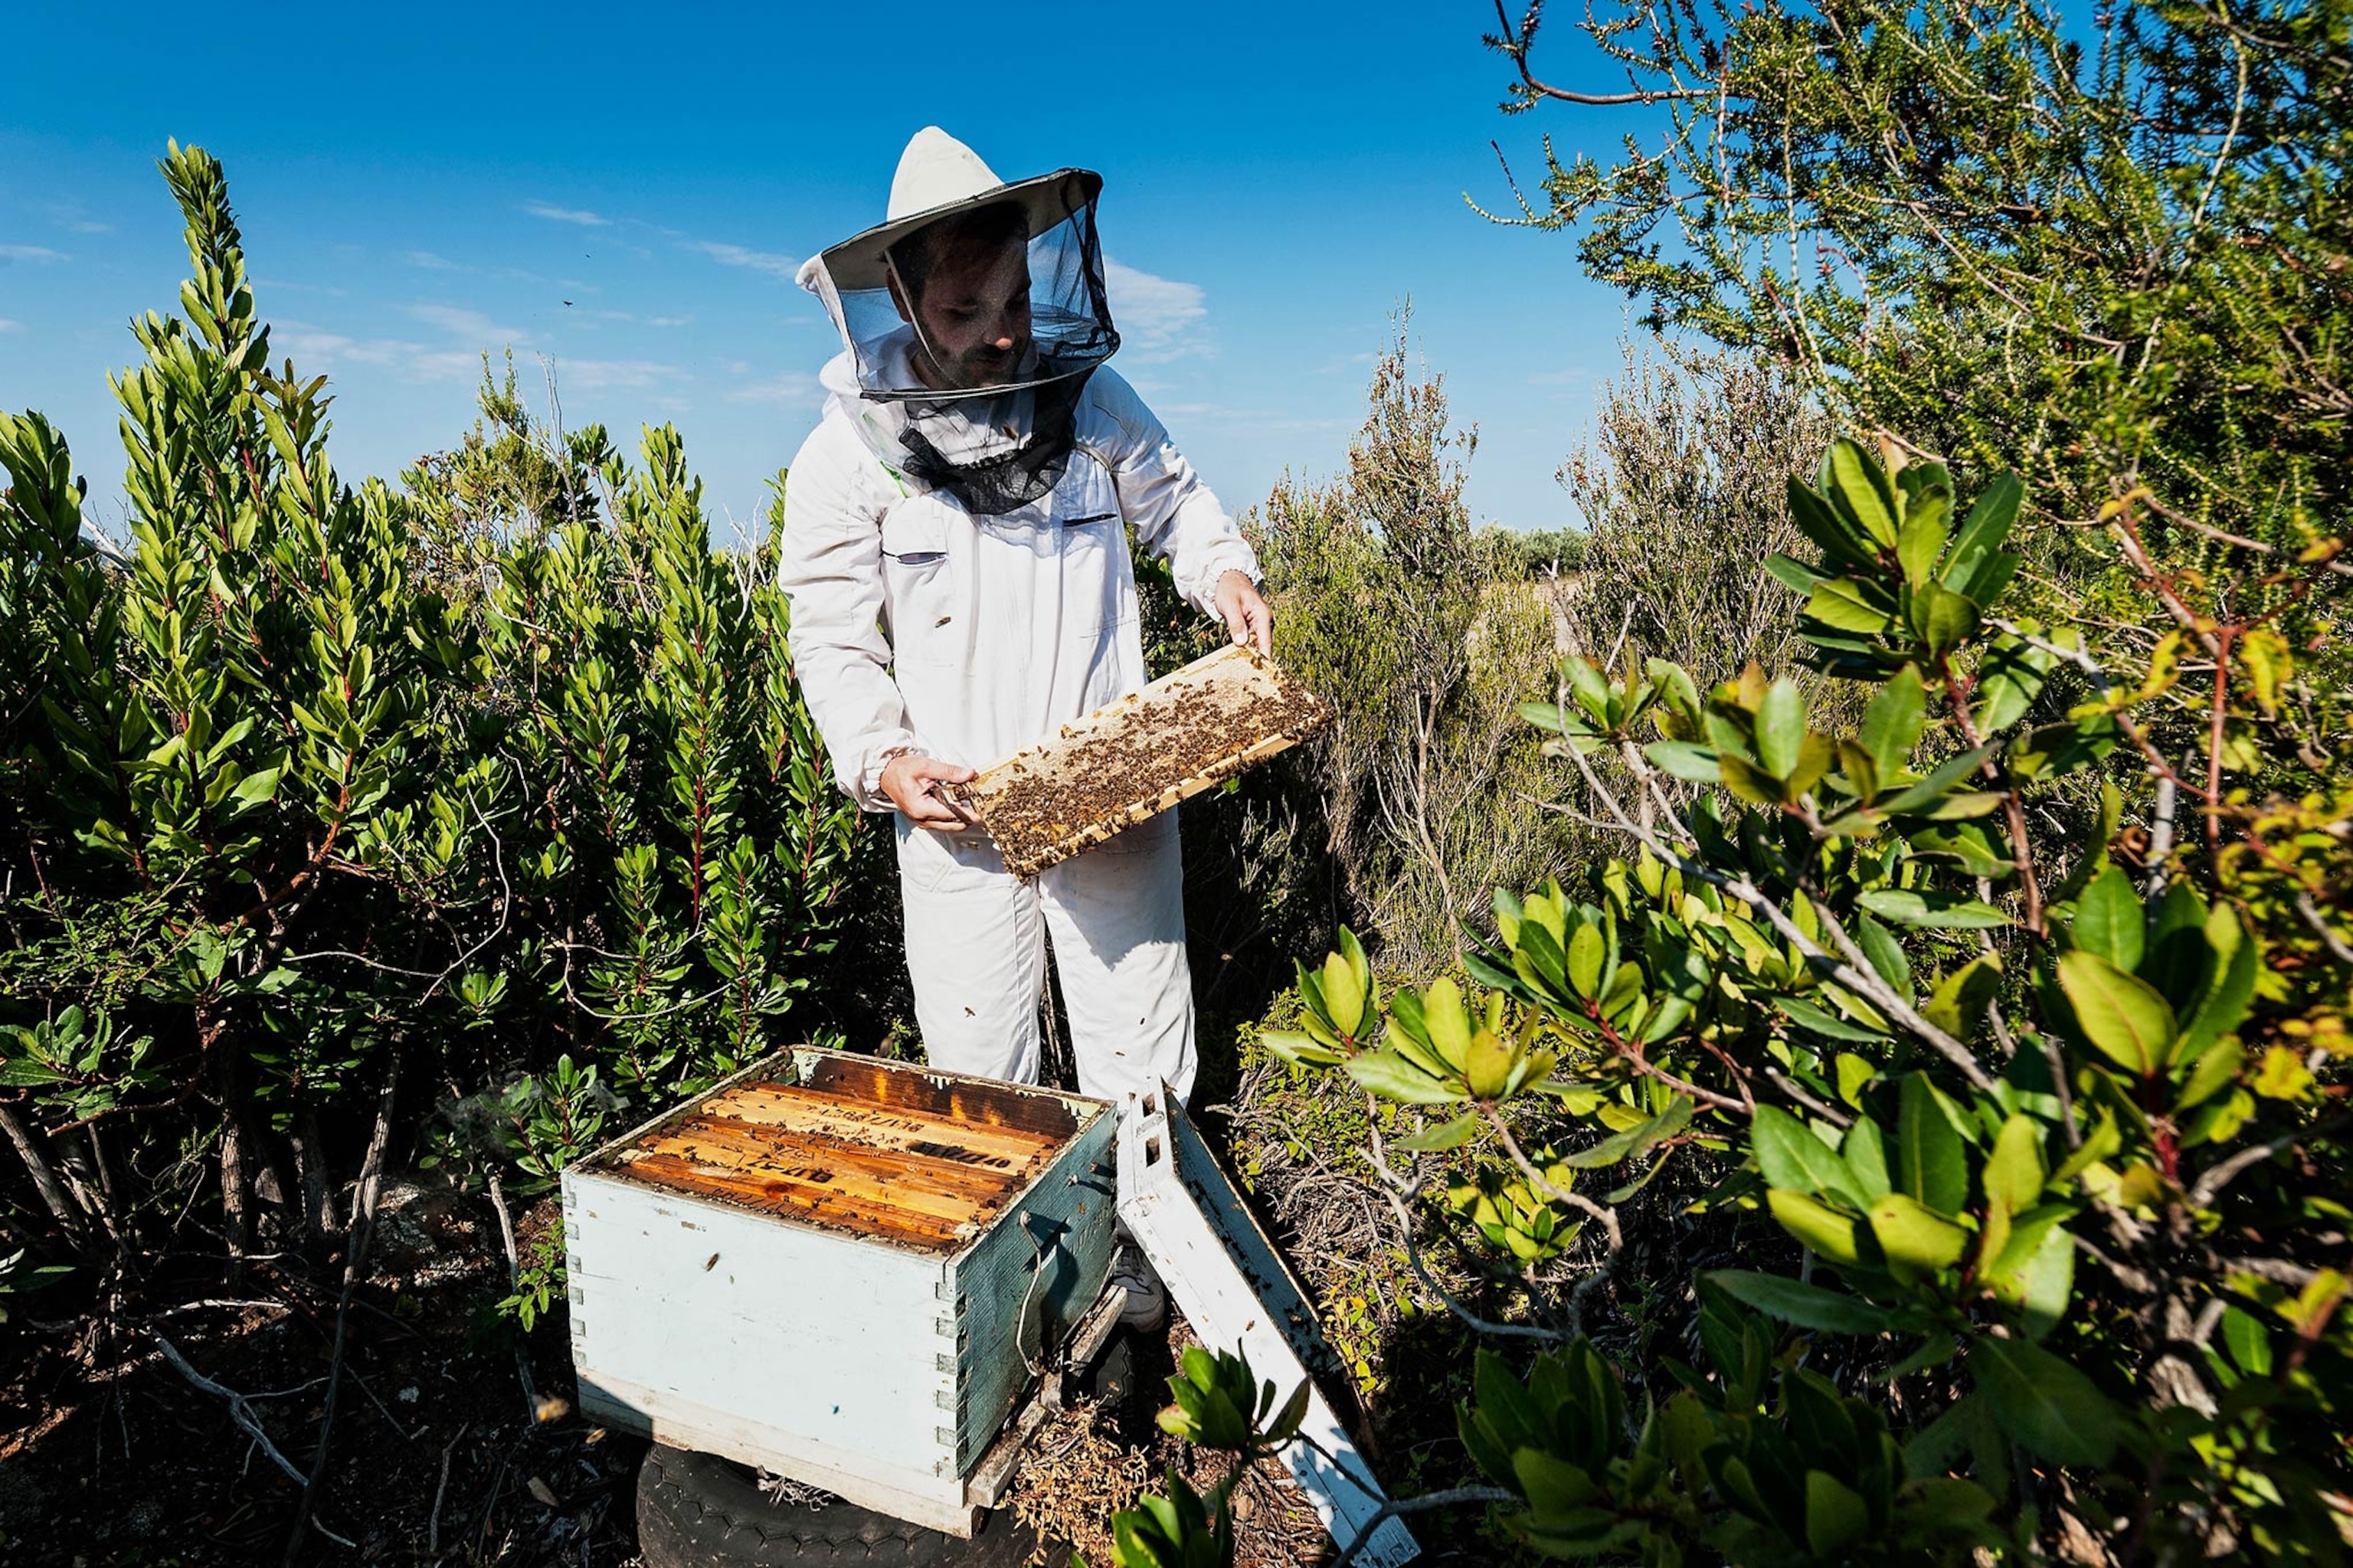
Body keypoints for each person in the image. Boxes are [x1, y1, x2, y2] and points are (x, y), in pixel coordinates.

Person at [778, 129, 1271, 1326]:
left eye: (1010, 299)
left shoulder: (1091, 396)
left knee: (1142, 1068)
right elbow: (832, 639)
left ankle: (1146, 1313)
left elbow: (1179, 501)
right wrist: (884, 760)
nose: (1001, 331)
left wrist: (1227, 575)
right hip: (957, 818)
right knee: (981, 1084)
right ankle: (1009, 1329)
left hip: (1109, 792)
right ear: (899, 299)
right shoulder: (845, 455)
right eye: (965, 306)